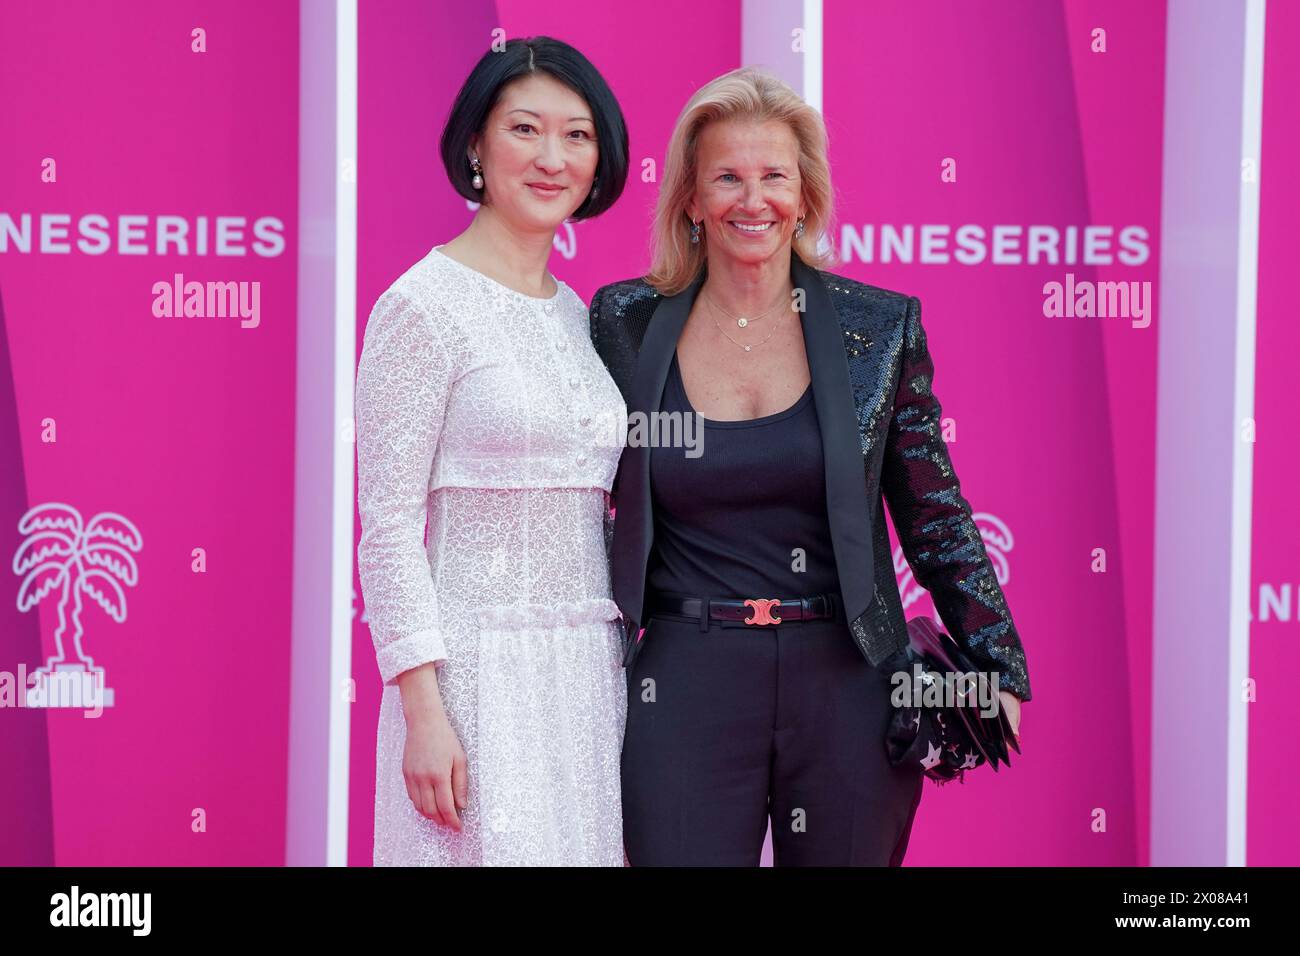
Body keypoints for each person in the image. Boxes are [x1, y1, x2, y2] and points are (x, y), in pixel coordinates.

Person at [588, 66, 1033, 866]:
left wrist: (996, 660)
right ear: (690, 197)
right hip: (683, 680)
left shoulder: (880, 327)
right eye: (727, 176)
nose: (752, 200)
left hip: (850, 681)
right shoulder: (625, 322)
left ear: (805, 195)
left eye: (774, 177)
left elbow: (934, 509)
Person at [355, 37, 630, 865]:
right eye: (525, 130)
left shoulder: (582, 318)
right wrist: (423, 711)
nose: (553, 158)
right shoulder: (422, 306)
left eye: (577, 135)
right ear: (475, 143)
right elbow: (389, 525)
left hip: (587, 679)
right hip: (473, 679)